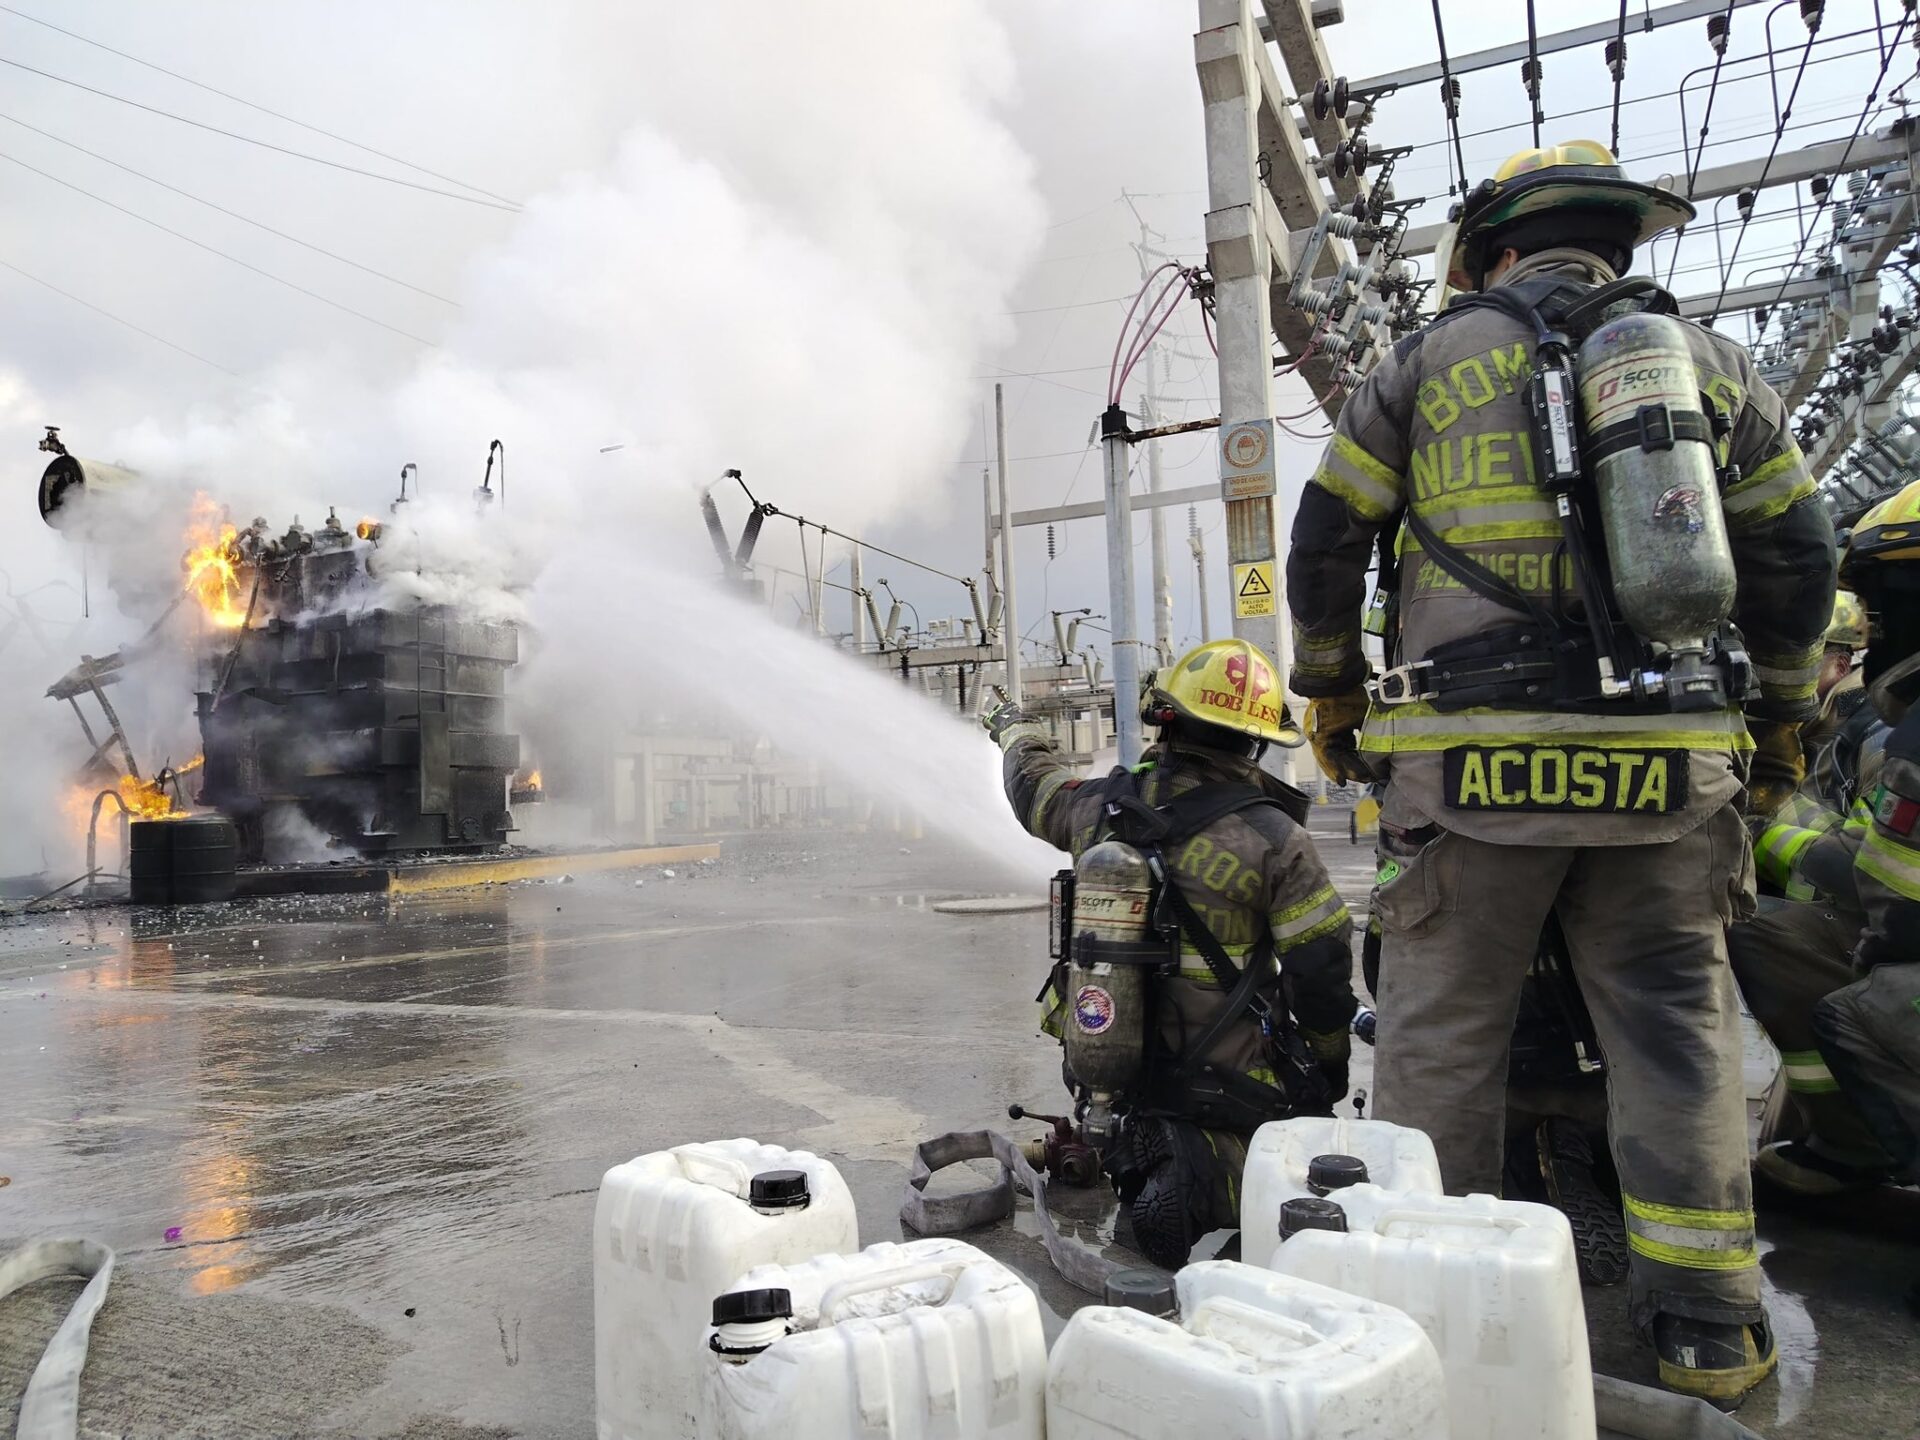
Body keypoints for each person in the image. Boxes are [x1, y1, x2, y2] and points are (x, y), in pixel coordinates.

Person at [1283, 140, 1835, 1406]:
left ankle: (1448, 1315)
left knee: (1440, 1037)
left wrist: (1332, 692)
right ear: (1619, 241)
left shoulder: (1423, 363)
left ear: (1487, 252)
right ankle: (1706, 1324)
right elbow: (1800, 556)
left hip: (1471, 773)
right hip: (1672, 770)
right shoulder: (1706, 368)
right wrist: (1788, 719)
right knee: (1677, 1037)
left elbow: (1324, 539)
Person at [983, 637, 1356, 1268]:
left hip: (1112, 1066)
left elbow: (1034, 790)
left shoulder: (1098, 808)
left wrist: (1014, 729)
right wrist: (1328, 1065)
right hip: (1229, 1081)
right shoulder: (1277, 840)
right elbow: (1320, 973)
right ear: (1255, 741)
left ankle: (1143, 1149)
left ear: (1168, 717)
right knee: (1305, 1160)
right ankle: (1204, 1173)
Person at [1734, 487, 1920, 1196]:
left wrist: (1753, 836)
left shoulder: (1883, 734)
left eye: (1894, 599)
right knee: (1781, 937)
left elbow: (1889, 896)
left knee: (1865, 1007)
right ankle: (1849, 1144)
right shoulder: (1884, 728)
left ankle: (1863, 1148)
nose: (1882, 627)